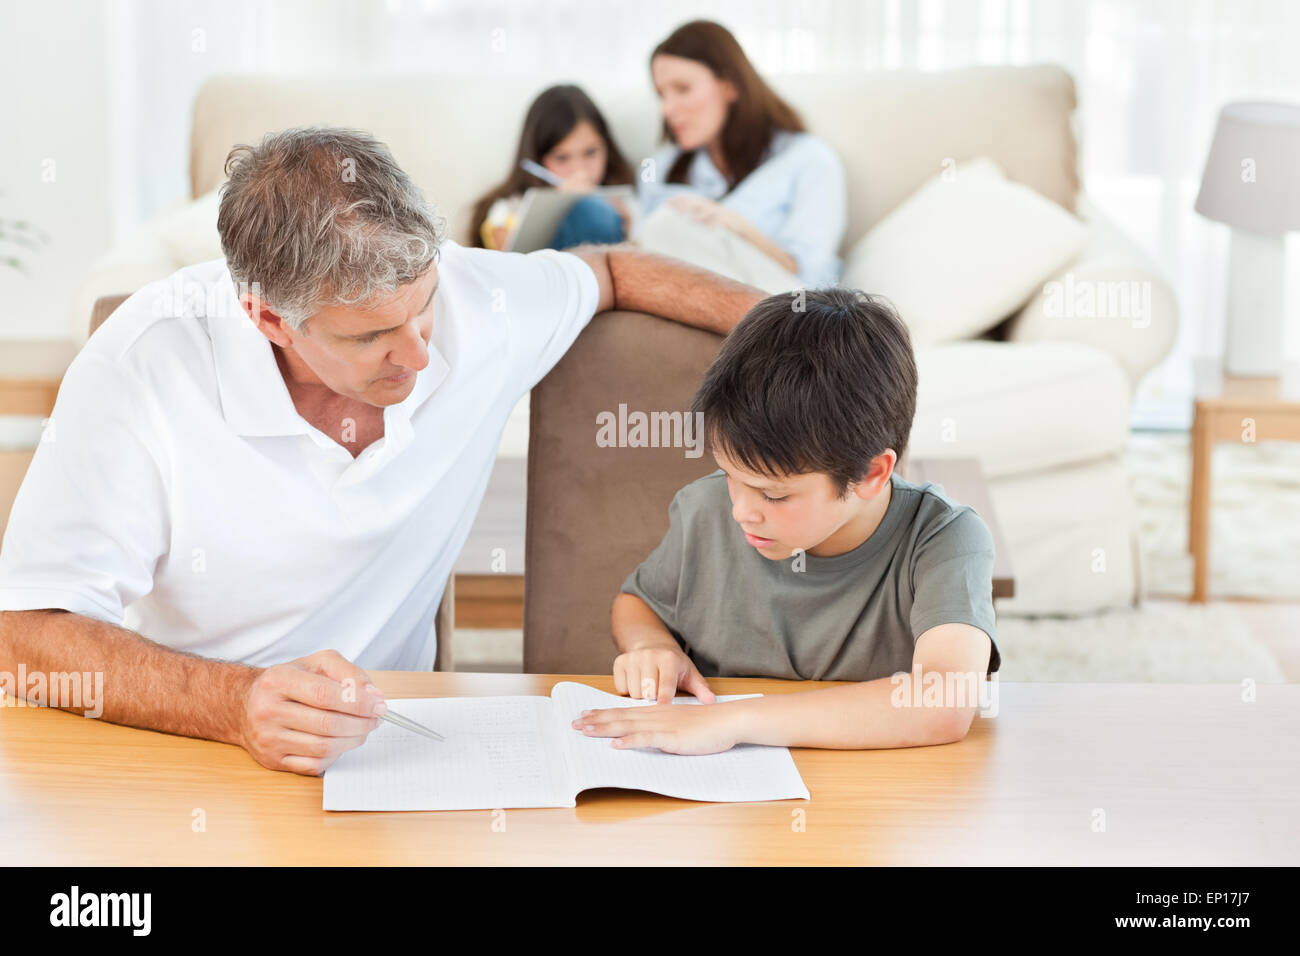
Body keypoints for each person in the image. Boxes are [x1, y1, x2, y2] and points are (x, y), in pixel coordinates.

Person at [0, 127, 764, 777]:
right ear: (268, 318)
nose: (420, 356)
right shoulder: (144, 362)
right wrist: (233, 704)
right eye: (368, 336)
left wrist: (801, 320)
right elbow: (23, 635)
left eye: (424, 307)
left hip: (396, 753)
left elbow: (612, 269)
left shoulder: (475, 303)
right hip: (186, 748)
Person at [571, 289, 1001, 755]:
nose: (741, 510)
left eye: (774, 494)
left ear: (872, 473)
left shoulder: (943, 539)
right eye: (731, 476)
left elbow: (944, 700)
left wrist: (733, 720)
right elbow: (639, 603)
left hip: (871, 803)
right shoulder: (705, 511)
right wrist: (651, 647)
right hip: (725, 800)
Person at [638, 20, 848, 289]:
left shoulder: (810, 159)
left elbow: (810, 280)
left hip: (781, 308)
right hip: (674, 301)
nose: (667, 109)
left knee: (666, 226)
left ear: (730, 85)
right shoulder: (657, 166)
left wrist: (739, 228)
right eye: (661, 95)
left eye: (682, 89)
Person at [470, 84, 634, 251]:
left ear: (607, 147)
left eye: (590, 152)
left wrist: (629, 230)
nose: (579, 170)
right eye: (562, 158)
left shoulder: (626, 199)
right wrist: (559, 203)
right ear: (537, 158)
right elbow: (509, 257)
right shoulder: (508, 209)